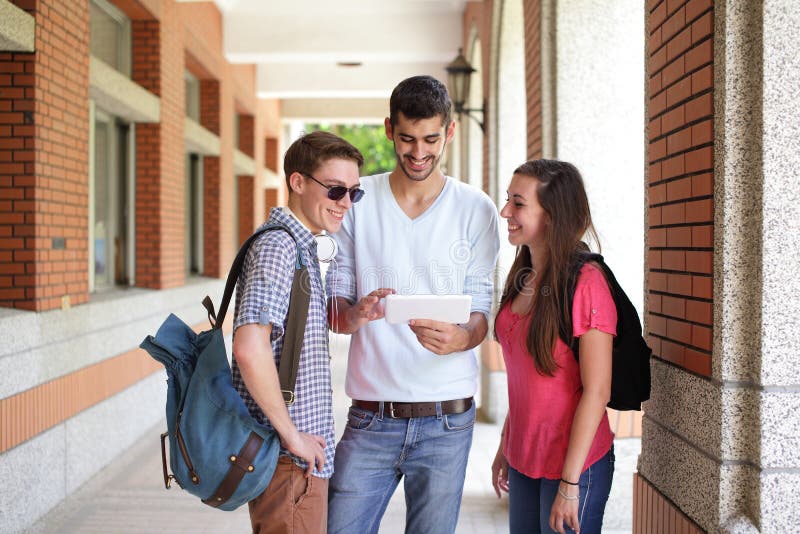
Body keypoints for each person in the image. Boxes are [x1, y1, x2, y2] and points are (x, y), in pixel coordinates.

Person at [325, 75, 500, 534]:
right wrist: (355, 313)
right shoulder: (357, 202)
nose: (418, 152)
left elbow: (483, 311)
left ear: (450, 132)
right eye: (406, 139)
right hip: (370, 418)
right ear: (388, 129)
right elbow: (335, 314)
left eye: (430, 139)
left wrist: (464, 337)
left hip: (448, 421)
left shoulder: (475, 209)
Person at [231, 131, 365, 534]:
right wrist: (292, 437)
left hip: (296, 455)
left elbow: (287, 336)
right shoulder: (280, 248)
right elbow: (249, 348)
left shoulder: (301, 246)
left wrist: (355, 316)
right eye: (336, 190)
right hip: (288, 457)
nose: (345, 203)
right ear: (298, 182)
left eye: (354, 193)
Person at [490, 159, 616, 534]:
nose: (505, 212)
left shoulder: (587, 283)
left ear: (551, 214)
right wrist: (506, 444)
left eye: (518, 203)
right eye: (507, 200)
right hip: (526, 457)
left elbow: (597, 390)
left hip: (575, 466)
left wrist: (570, 484)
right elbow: (527, 378)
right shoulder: (524, 275)